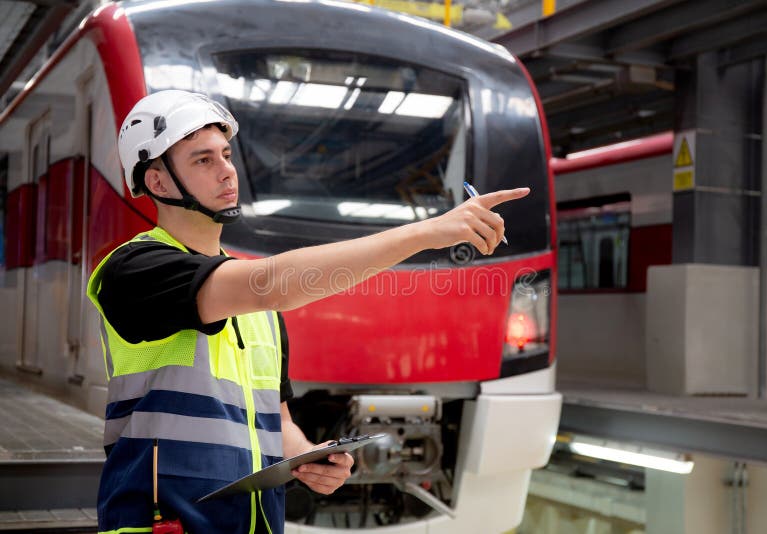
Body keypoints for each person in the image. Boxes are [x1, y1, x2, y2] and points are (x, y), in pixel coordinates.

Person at [86, 90, 528, 534]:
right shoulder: (134, 270)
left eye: (225, 154)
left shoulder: (259, 312)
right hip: (161, 524)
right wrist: (425, 233)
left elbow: (277, 421)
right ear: (159, 183)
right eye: (203, 160)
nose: (227, 171)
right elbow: (272, 283)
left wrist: (311, 458)